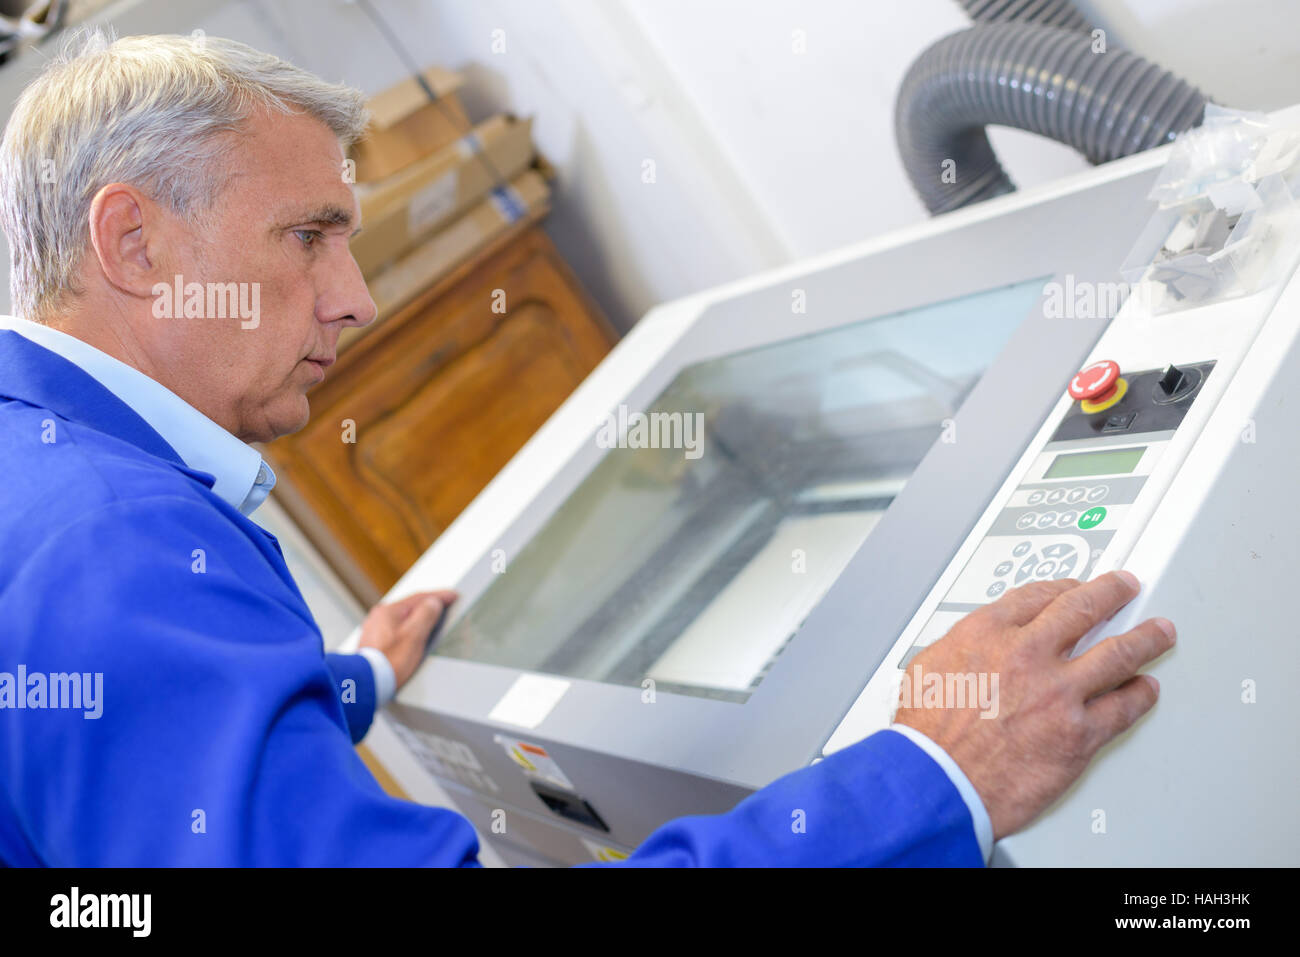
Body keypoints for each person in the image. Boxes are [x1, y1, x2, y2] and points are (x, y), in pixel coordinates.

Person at [0, 30, 1175, 867]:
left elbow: (126, 749)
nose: (351, 299)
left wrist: (343, 686)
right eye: (308, 236)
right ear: (136, 245)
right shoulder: (117, 550)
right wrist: (935, 774)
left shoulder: (47, 475)